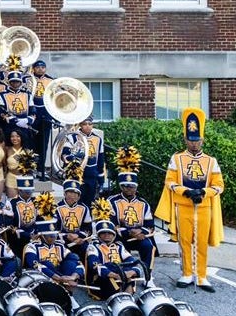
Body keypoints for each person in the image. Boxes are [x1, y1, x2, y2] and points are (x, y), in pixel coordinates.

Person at [156, 108, 224, 292]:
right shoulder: (176, 158)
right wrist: (185, 191)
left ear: (202, 140)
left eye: (197, 140)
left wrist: (203, 191)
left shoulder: (211, 161)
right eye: (191, 140)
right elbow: (169, 181)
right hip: (183, 205)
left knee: (201, 242)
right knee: (185, 241)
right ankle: (186, 273)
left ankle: (201, 276)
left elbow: (219, 185)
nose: (194, 144)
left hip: (204, 206)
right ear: (186, 139)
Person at [108, 147, 157, 282]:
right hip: (121, 236)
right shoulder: (112, 201)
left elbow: (150, 226)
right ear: (121, 187)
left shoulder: (143, 203)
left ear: (136, 187)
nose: (129, 189)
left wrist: (141, 232)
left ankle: (148, 275)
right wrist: (129, 232)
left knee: (148, 246)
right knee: (116, 247)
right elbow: (110, 224)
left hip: (140, 236)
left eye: (132, 186)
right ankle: (126, 274)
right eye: (126, 186)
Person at [86, 202, 141, 300]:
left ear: (114, 235)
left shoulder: (119, 246)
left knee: (129, 274)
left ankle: (128, 300)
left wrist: (131, 272)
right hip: (102, 277)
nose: (107, 235)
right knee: (109, 273)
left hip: (120, 274)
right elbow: (95, 266)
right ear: (98, 235)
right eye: (103, 233)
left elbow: (132, 261)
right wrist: (115, 275)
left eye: (109, 233)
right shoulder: (93, 247)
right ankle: (119, 300)